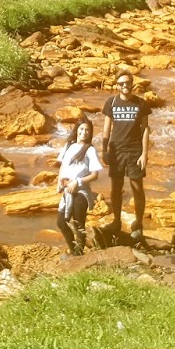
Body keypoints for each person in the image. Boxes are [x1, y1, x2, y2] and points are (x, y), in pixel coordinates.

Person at [100, 72, 151, 242]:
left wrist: (145, 153)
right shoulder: (111, 102)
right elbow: (106, 129)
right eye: (121, 83)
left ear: (132, 84)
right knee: (116, 188)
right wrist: (104, 150)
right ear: (116, 85)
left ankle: (138, 224)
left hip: (135, 151)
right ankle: (116, 221)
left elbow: (145, 129)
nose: (125, 85)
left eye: (128, 82)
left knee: (138, 188)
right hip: (116, 150)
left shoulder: (141, 103)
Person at [56, 118, 103, 256]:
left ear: (90, 133)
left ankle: (78, 254)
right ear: (77, 130)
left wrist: (78, 182)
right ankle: (74, 251)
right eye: (81, 129)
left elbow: (95, 175)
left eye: (87, 130)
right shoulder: (68, 146)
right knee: (61, 222)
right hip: (66, 191)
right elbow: (62, 166)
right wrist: (59, 182)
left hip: (80, 192)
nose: (84, 132)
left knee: (78, 226)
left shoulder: (90, 150)